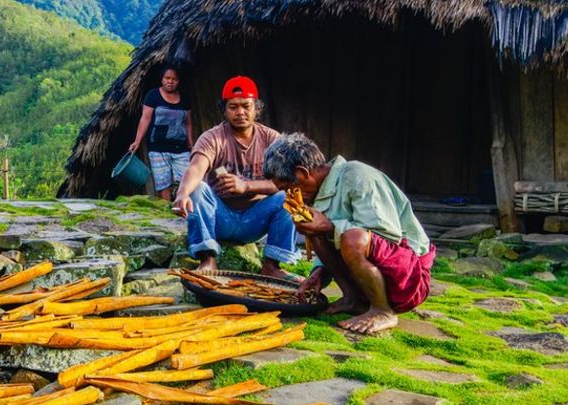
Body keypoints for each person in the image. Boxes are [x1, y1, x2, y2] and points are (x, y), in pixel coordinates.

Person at [263, 132, 436, 334]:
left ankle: (383, 311)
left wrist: (329, 226)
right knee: (314, 228)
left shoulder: (358, 176)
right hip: (375, 272)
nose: (290, 194)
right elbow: (331, 238)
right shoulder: (319, 192)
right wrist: (319, 271)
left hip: (408, 278)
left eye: (290, 187)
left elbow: (386, 237)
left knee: (352, 237)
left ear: (303, 172)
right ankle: (352, 297)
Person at [173, 76, 299, 277]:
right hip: (220, 218)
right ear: (224, 109)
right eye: (233, 107)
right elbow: (196, 168)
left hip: (255, 220)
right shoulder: (213, 137)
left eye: (246, 106)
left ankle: (272, 266)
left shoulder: (272, 139)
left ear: (257, 108)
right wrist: (183, 193)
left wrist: (246, 187)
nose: (240, 112)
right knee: (197, 189)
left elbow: (286, 181)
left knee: (290, 196)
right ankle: (208, 259)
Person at [129, 66, 194, 201]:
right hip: (157, 148)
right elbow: (145, 119)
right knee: (163, 184)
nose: (170, 81)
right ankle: (167, 213)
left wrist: (190, 143)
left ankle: (182, 210)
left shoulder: (185, 99)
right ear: (162, 79)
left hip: (180, 148)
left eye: (174, 79)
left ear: (179, 81)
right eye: (167, 78)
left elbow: (188, 123)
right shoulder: (153, 96)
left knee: (186, 181)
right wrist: (137, 141)